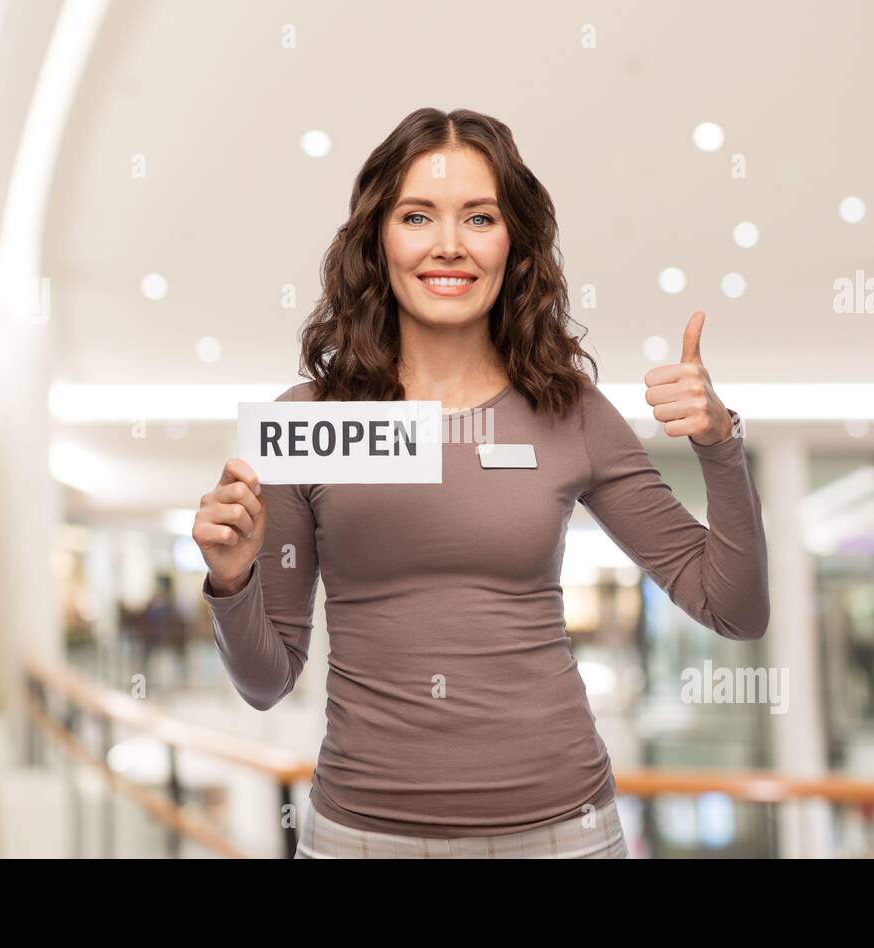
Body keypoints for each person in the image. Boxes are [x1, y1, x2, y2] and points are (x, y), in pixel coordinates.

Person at [193, 108, 770, 858]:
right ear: (378, 239)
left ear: (513, 243)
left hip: (564, 835)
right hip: (361, 839)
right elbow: (267, 682)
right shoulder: (306, 424)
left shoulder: (571, 413)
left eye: (479, 217)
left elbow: (736, 608)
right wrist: (231, 582)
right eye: (417, 216)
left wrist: (721, 447)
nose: (448, 245)